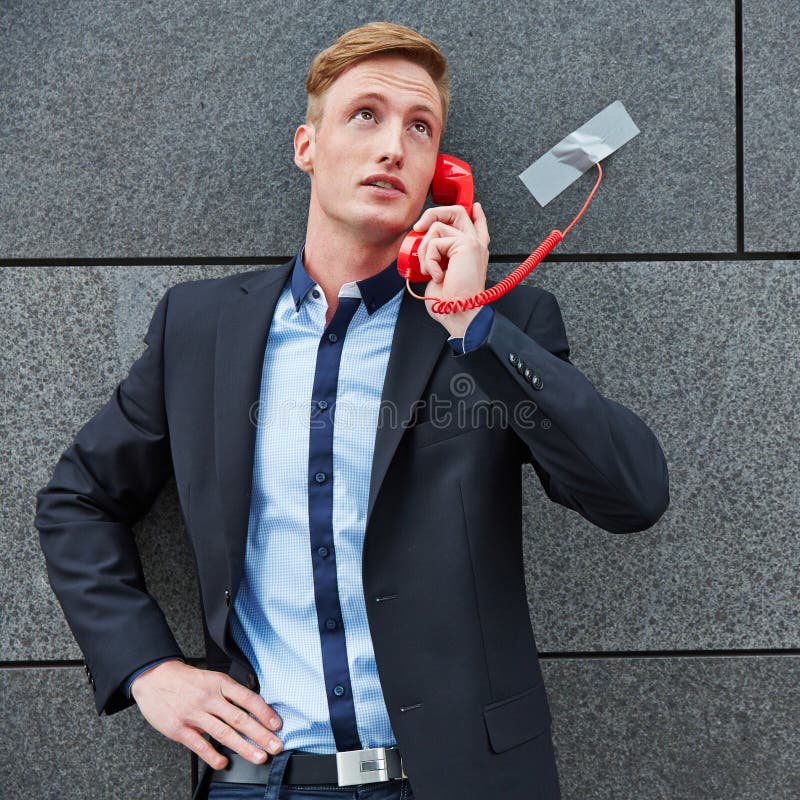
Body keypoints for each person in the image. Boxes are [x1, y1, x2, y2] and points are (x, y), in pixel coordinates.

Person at [35, 21, 669, 800]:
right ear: (307, 146)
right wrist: (147, 668)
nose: (393, 145)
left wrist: (472, 320)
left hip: (455, 782)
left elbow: (631, 495)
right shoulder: (198, 329)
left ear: (442, 172)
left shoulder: (503, 326)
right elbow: (77, 501)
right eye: (364, 115)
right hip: (263, 782)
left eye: (420, 128)